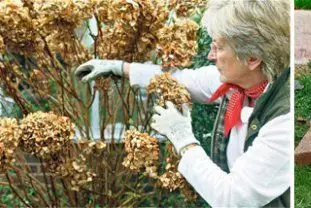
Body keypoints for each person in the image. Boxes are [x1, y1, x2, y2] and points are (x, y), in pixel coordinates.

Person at [73, 0, 291, 207]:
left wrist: (183, 139)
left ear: (252, 58)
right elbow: (183, 80)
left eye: (219, 47)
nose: (210, 55)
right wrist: (120, 68)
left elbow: (232, 199)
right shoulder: (242, 83)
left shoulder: (283, 121)